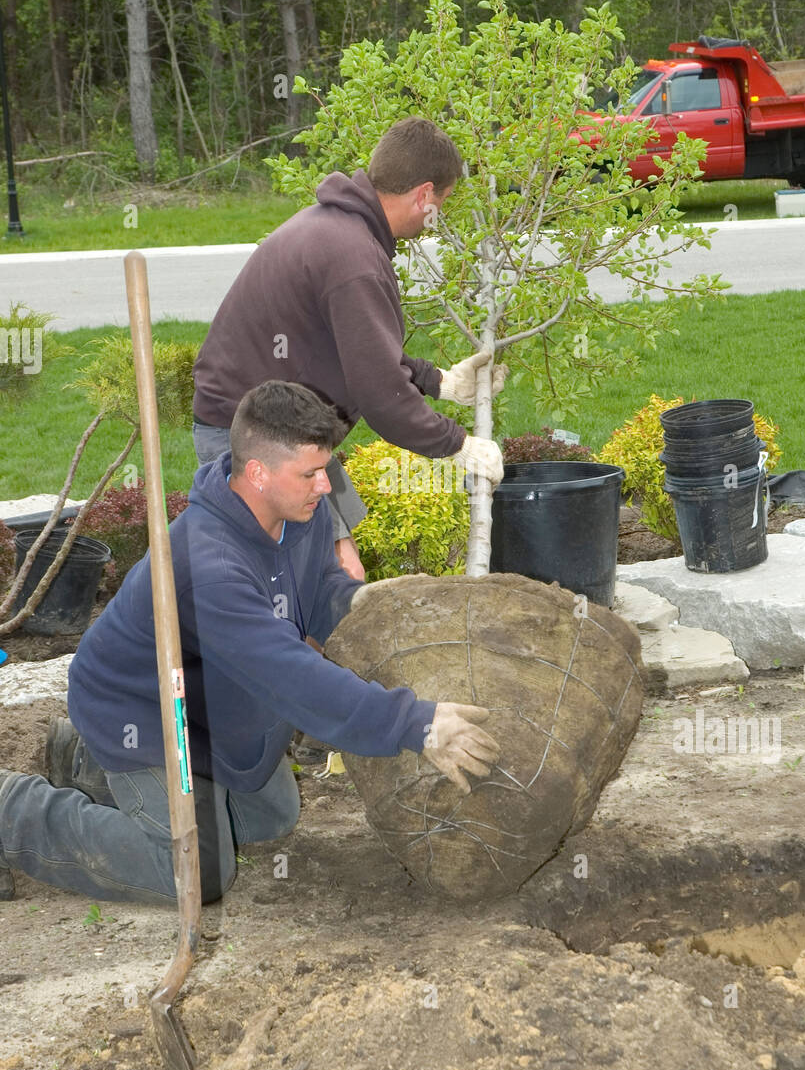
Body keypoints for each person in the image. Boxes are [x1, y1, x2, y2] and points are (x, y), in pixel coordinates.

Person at [0, 382, 499, 906]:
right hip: (146, 710)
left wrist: (358, 604)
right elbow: (288, 674)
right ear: (258, 473)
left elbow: (319, 588)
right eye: (310, 473)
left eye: (325, 469)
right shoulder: (208, 566)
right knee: (198, 873)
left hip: (212, 708)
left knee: (272, 814)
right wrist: (412, 723)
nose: (326, 486)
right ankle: (15, 812)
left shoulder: (297, 514)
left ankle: (82, 762)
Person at [191, 116, 507, 582]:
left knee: (338, 568)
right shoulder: (353, 257)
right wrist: (458, 445)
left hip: (288, 432)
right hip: (254, 442)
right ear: (423, 195)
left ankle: (314, 653)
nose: (438, 213)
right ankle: (288, 655)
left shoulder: (341, 230)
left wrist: (439, 382)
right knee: (321, 578)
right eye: (443, 200)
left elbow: (358, 349)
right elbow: (382, 397)